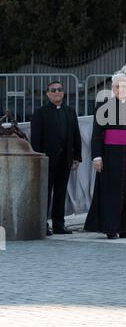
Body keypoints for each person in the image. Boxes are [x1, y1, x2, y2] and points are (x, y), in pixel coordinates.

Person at [84, 73, 126, 239]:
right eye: (118, 86)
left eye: (124, 86)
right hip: (110, 155)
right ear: (113, 89)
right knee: (111, 192)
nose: (121, 89)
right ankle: (110, 227)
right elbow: (97, 134)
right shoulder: (103, 106)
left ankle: (125, 227)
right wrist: (97, 157)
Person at [31, 81, 82, 235]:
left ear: (63, 93)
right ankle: (43, 225)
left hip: (65, 160)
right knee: (45, 194)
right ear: (47, 94)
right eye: (53, 90)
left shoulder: (70, 111)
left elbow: (76, 135)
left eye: (59, 89)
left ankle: (59, 225)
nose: (57, 92)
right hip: (47, 160)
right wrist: (38, 158)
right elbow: (36, 139)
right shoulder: (40, 112)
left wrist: (77, 156)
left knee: (61, 193)